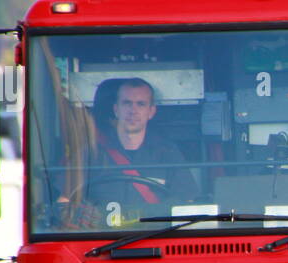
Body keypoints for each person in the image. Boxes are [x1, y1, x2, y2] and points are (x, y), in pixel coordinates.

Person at [61, 77, 198, 221]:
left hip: (155, 234)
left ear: (151, 112)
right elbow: (63, 202)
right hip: (99, 238)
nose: (133, 111)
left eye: (140, 104)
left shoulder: (168, 154)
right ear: (116, 109)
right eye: (127, 103)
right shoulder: (90, 153)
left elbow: (187, 203)